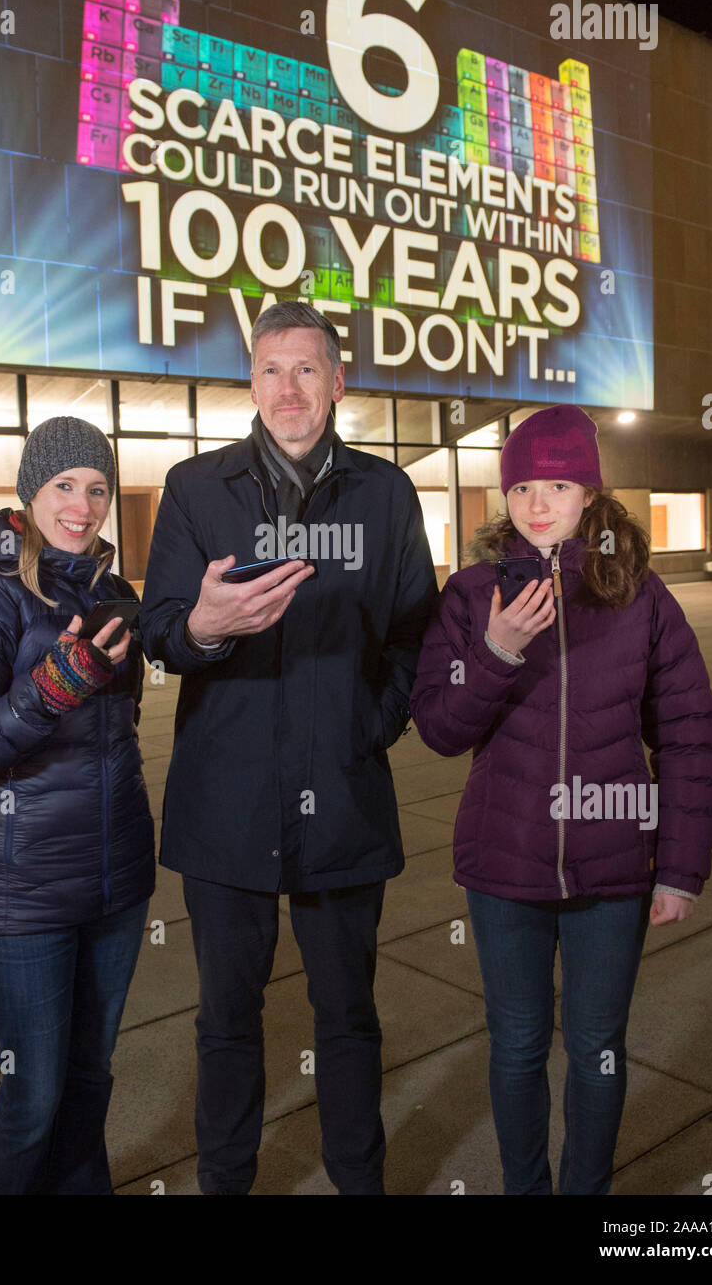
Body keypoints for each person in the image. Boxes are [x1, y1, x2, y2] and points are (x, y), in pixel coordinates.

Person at [140, 300, 439, 1195]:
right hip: (225, 806)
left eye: (307, 368)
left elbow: (415, 638)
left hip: (342, 800)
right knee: (227, 1019)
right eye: (271, 369)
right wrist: (204, 625)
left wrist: (366, 726)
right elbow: (159, 631)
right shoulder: (196, 488)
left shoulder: (385, 493)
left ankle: (359, 1182)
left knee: (346, 1014)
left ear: (339, 381)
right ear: (252, 381)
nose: (289, 387)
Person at [409, 404, 712, 1196]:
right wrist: (498, 650)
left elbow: (686, 734)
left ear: (591, 494)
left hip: (612, 872)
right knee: (515, 1045)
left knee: (597, 1047)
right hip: (503, 865)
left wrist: (679, 870)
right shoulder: (472, 593)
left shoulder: (640, 598)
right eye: (521, 487)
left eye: (557, 483)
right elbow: (439, 728)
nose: (538, 503)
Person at [0, 416, 155, 1194]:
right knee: (35, 1095)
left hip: (115, 881)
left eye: (97, 489)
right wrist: (53, 686)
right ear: (28, 493)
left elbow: (120, 730)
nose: (82, 506)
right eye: (64, 486)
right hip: (22, 895)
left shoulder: (113, 593)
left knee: (91, 1085)